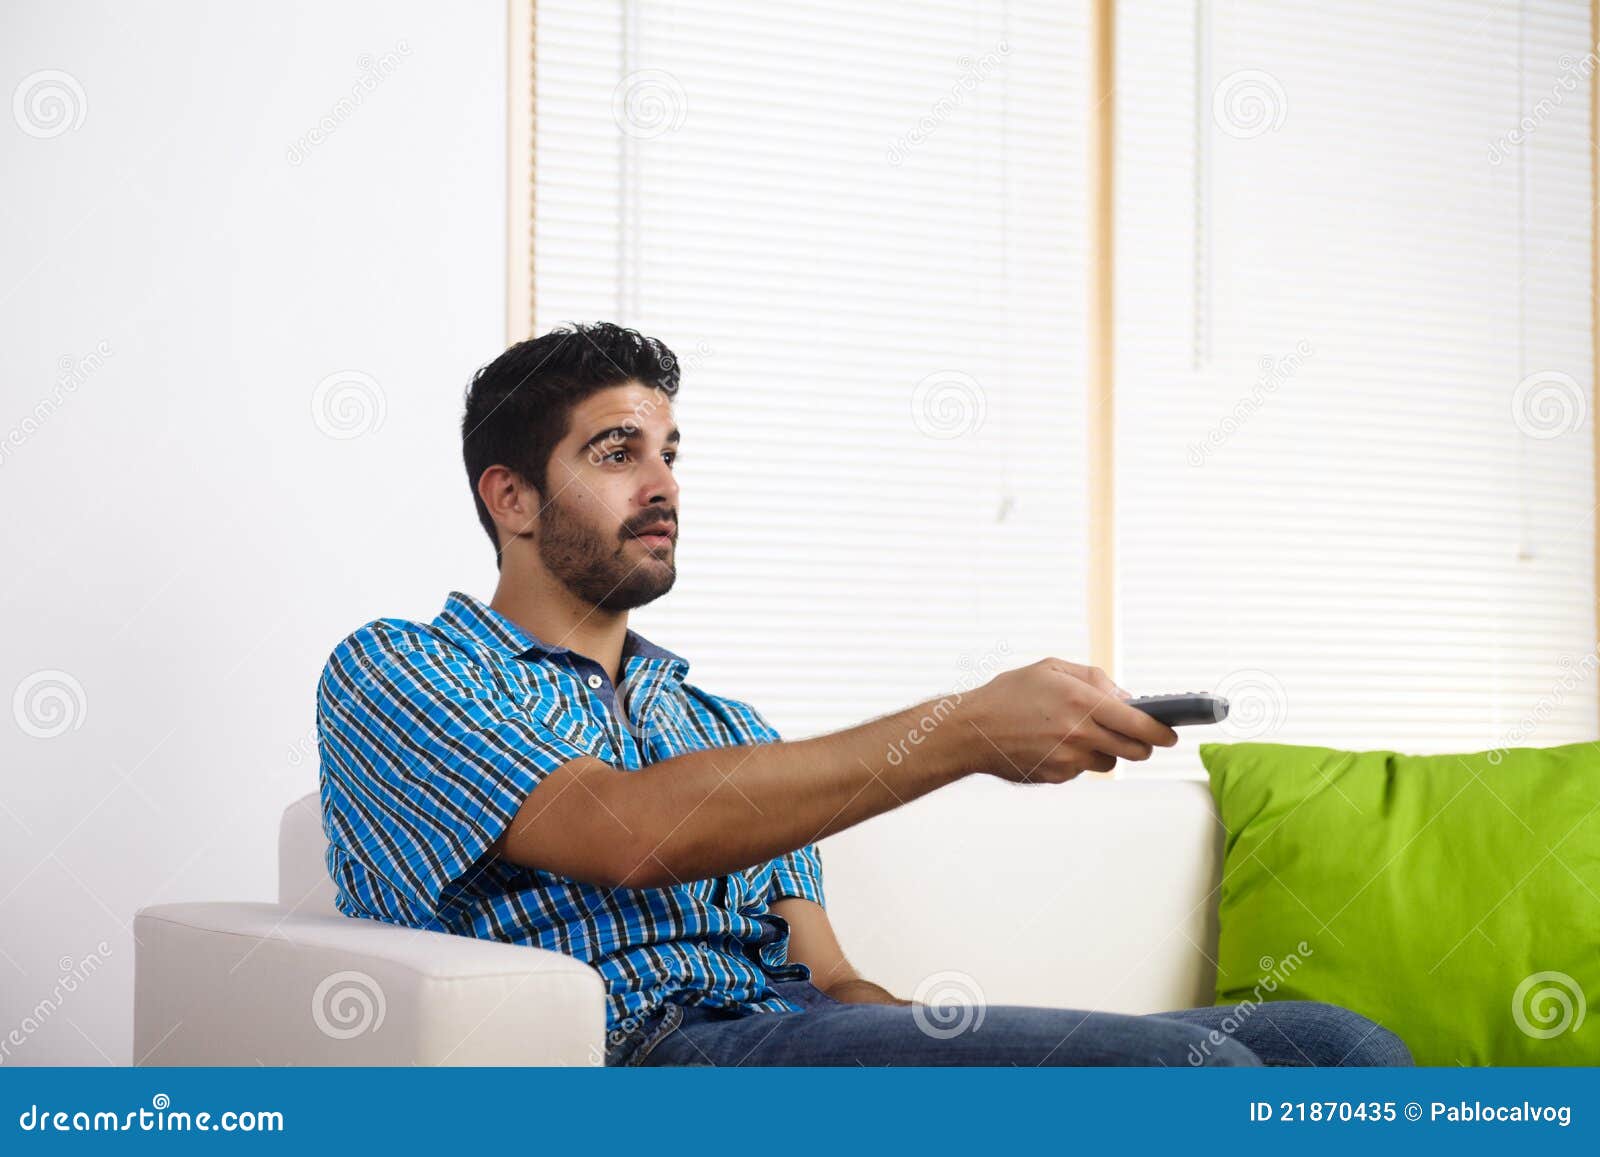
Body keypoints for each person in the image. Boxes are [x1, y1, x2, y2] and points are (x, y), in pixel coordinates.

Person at [315, 322, 1411, 1068]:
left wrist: (975, 1040)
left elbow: (829, 976)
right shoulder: (401, 669)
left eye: (670, 452)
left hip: (790, 1036)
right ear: (509, 495)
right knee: (1190, 1074)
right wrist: (969, 727)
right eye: (616, 452)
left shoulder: (720, 726)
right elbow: (620, 832)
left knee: (1331, 1047)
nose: (663, 486)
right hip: (648, 1055)